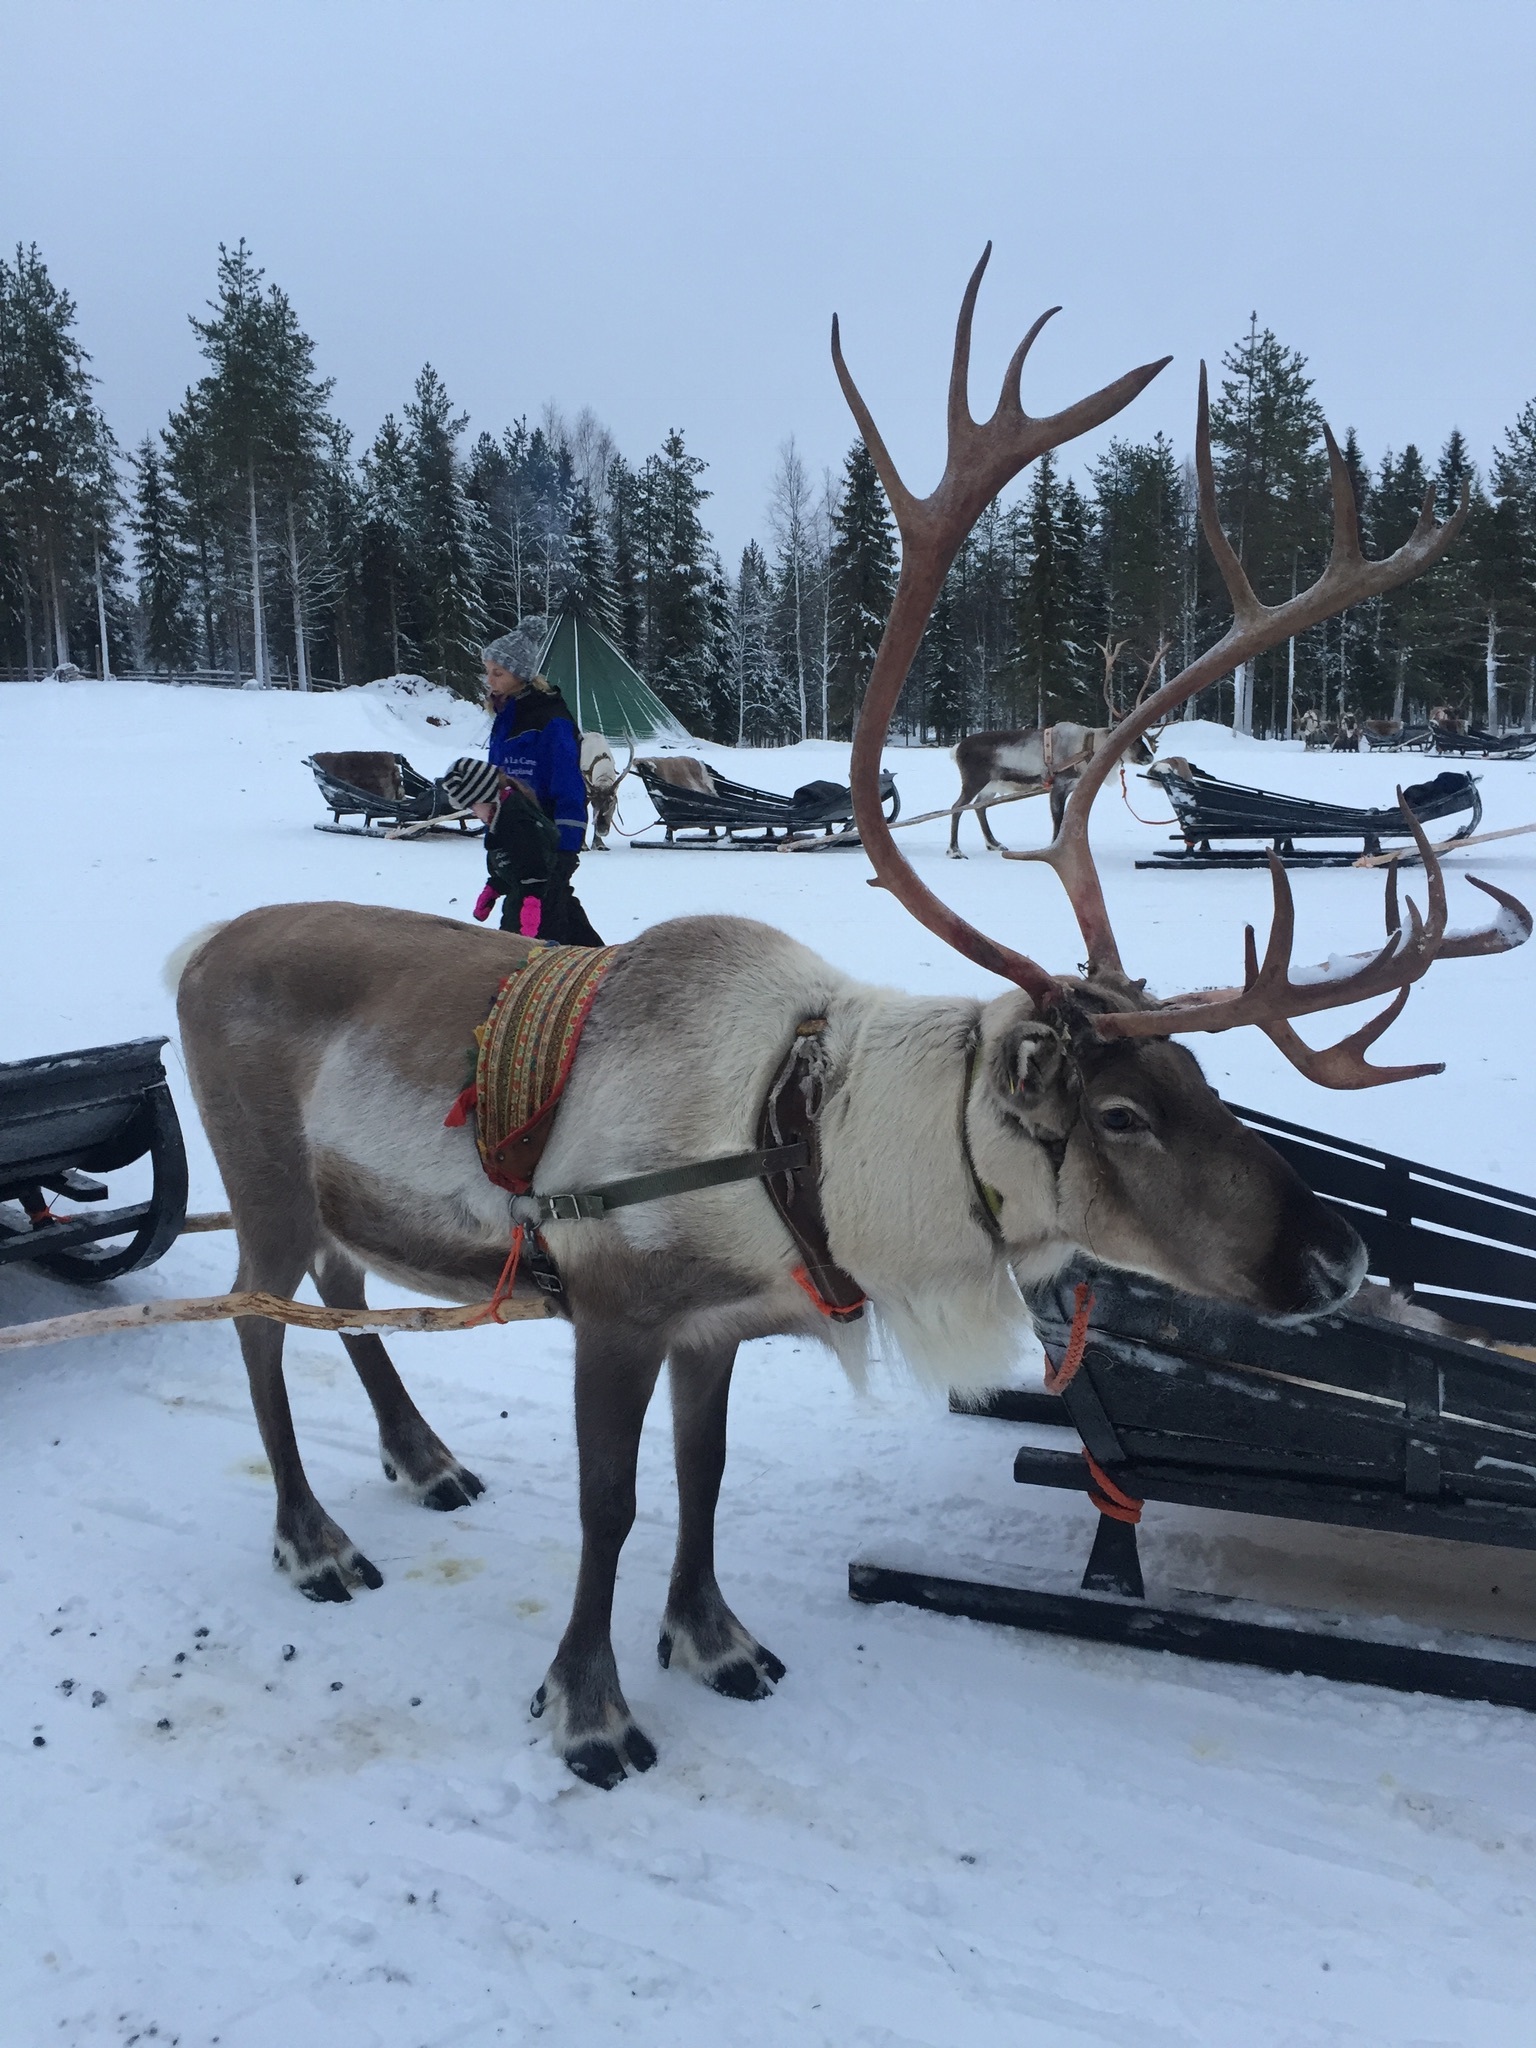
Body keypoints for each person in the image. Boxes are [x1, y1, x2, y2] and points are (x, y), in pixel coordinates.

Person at [481, 629, 602, 945]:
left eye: (498, 672)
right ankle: (604, 973)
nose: (490, 680)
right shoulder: (504, 716)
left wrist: (567, 846)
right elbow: (498, 782)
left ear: (520, 675)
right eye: (488, 672)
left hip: (547, 837)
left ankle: (525, 979)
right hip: (515, 834)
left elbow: (568, 785)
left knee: (527, 926)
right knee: (556, 913)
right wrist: (494, 835)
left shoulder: (551, 720)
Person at [440, 755, 585, 942]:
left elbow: (533, 866)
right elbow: (511, 863)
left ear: (485, 795)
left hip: (540, 903)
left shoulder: (517, 820)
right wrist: (493, 888)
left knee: (521, 950)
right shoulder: (500, 818)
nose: (473, 812)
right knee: (575, 935)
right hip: (526, 896)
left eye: (471, 805)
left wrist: (531, 907)